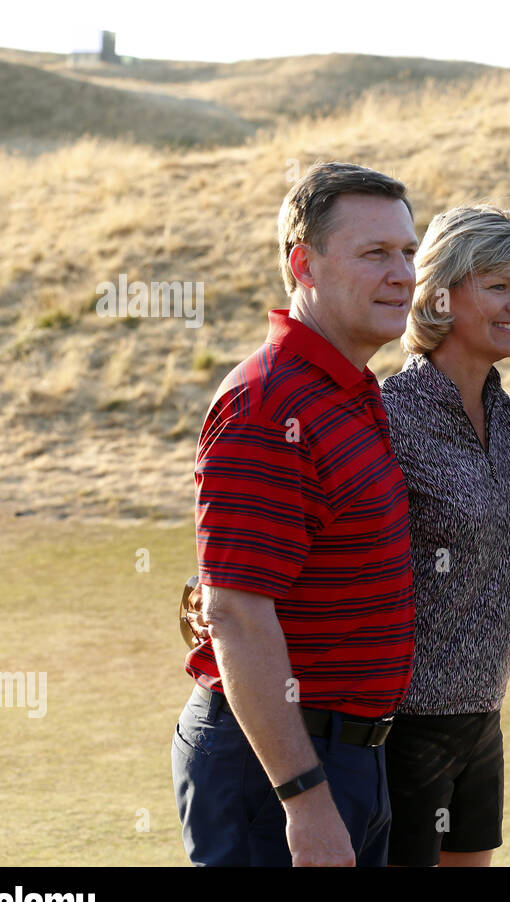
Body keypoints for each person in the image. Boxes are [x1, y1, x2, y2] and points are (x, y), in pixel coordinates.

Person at [172, 162, 419, 866]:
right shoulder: (269, 405)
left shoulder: (348, 386)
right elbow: (236, 614)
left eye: (407, 251)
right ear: (302, 264)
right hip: (281, 769)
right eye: (375, 254)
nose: (402, 273)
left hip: (347, 757)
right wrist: (304, 797)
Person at [378, 205, 510, 866]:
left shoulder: (509, 416)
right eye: (499, 286)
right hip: (402, 725)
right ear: (444, 295)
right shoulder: (391, 414)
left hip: (482, 715)